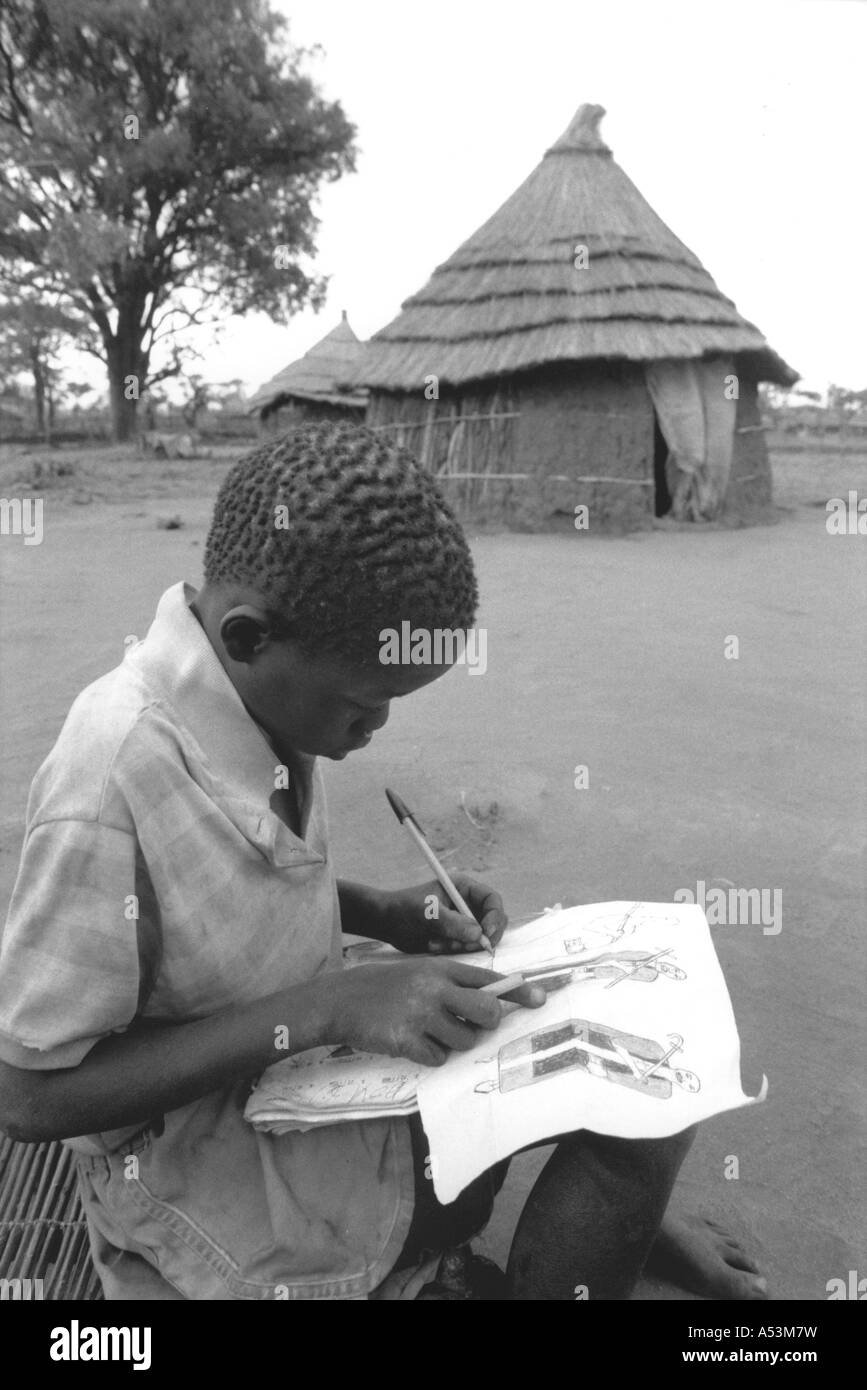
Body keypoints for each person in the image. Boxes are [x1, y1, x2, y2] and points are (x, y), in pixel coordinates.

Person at [0, 423, 766, 1300]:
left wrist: (377, 911)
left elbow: (218, 908)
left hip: (294, 1062)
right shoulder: (108, 777)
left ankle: (617, 1210)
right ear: (249, 638)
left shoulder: (259, 700)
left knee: (578, 1045)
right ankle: (608, 1207)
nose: (375, 732)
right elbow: (30, 1097)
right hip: (199, 1156)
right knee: (638, 1133)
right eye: (365, 705)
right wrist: (326, 1009)